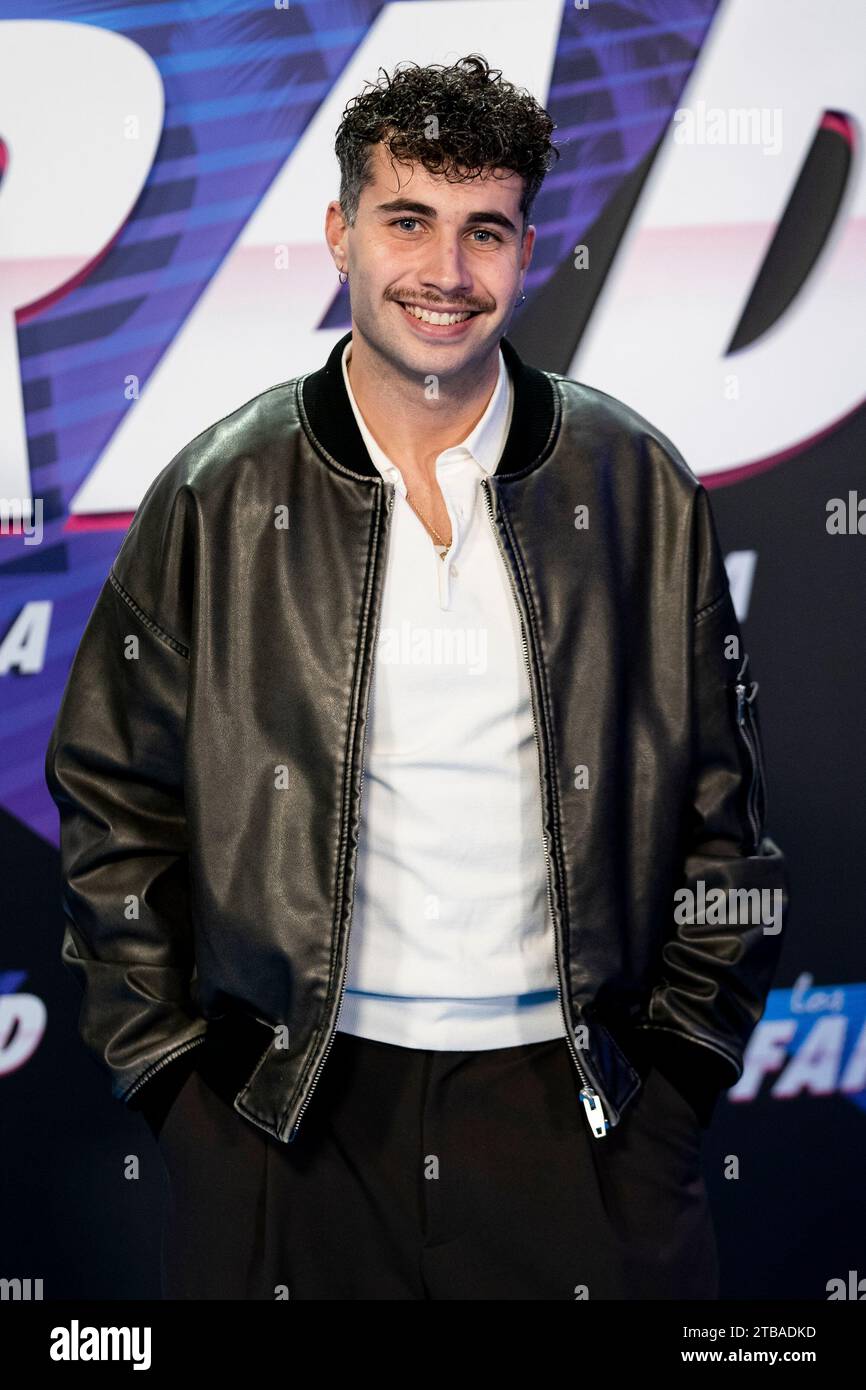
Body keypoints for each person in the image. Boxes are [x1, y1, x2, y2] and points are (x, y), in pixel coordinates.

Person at [45, 54, 788, 1300]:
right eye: (407, 221)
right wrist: (185, 1095)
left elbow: (731, 829)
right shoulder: (218, 493)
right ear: (339, 233)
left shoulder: (633, 484)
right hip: (289, 1121)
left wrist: (672, 1093)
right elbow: (112, 806)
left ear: (524, 249)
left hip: (581, 1122)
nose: (444, 273)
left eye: (481, 230)